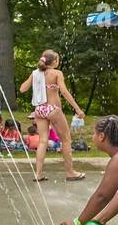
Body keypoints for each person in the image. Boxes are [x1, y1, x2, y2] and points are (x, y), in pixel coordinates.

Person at [20, 49, 86, 183]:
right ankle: (70, 172)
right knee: (66, 140)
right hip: (53, 109)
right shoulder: (57, 73)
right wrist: (78, 109)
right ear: (54, 61)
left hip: (39, 110)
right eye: (58, 59)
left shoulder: (35, 74)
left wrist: (35, 80)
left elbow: (22, 89)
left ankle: (38, 174)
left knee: (43, 141)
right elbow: (65, 92)